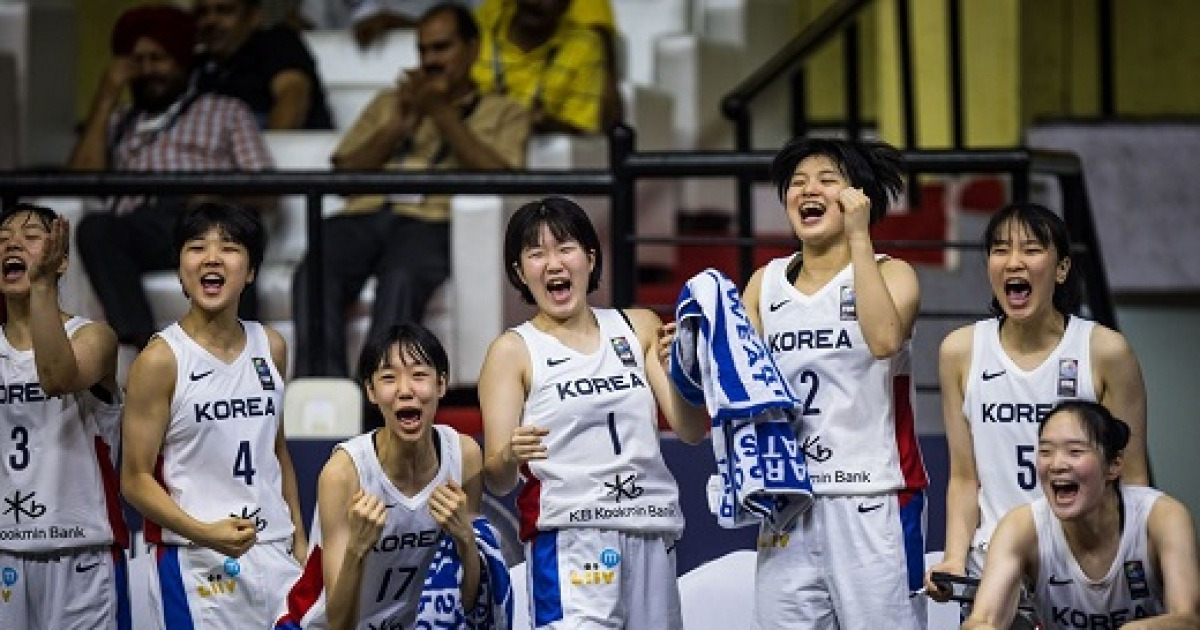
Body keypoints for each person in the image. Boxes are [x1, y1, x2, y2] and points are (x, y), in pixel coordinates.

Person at [478, 196, 709, 629]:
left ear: (590, 256)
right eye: (536, 253)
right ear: (519, 272)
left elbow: (692, 430)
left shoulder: (638, 325)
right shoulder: (512, 351)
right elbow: (498, 476)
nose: (552, 263)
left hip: (651, 528)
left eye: (564, 248)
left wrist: (686, 368)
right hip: (570, 539)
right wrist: (510, 453)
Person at [740, 137, 929, 629]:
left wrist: (860, 238)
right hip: (791, 501)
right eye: (797, 183)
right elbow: (739, 387)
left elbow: (885, 339)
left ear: (858, 196)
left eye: (827, 180)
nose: (809, 190)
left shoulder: (895, 273)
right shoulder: (765, 283)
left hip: (875, 495)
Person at [925, 203, 1150, 614]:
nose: (1014, 262)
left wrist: (1129, 567)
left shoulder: (1105, 350)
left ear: (1061, 268)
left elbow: (1132, 477)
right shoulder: (959, 350)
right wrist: (955, 557)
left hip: (1083, 572)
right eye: (999, 250)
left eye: (1031, 249)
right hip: (994, 568)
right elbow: (962, 476)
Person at [291, 1, 528, 378]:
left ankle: (381, 397)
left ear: (472, 49)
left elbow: (500, 174)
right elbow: (344, 172)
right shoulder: (391, 101)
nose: (430, 60)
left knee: (401, 275)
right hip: (366, 214)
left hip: (432, 220)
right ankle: (324, 399)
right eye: (423, 50)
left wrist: (440, 112)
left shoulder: (504, 110)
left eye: (442, 48)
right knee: (316, 268)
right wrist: (397, 126)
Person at [120, 202, 306, 629]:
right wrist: (203, 532)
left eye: (229, 247)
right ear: (181, 267)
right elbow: (134, 479)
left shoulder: (272, 346)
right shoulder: (160, 359)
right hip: (196, 564)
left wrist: (299, 537)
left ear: (252, 270)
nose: (211, 258)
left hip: (275, 553)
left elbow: (276, 452)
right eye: (196, 247)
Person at [277, 322, 508, 630]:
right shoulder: (344, 474)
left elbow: (468, 606)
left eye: (419, 375)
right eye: (388, 378)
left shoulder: (463, 456)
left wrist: (465, 538)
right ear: (371, 391)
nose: (405, 390)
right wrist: (358, 547)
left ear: (442, 384)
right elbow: (337, 624)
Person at [68, 4, 273, 350]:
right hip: (143, 227)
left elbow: (267, 191)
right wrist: (106, 95)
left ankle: (235, 350)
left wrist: (209, 195)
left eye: (158, 59)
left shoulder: (225, 111)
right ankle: (149, 348)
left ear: (182, 60)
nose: (148, 70)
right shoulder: (119, 121)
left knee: (235, 233)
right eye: (137, 61)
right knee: (96, 228)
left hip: (204, 216)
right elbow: (78, 181)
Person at [0, 203, 127, 630]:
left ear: (61, 259)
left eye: (30, 236)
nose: (12, 243)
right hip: (4, 553)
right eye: (1, 239)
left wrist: (41, 290)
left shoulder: (95, 337)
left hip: (80, 551)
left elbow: (56, 377)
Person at [963, 400, 1200, 630]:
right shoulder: (1020, 527)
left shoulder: (1164, 517)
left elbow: (1189, 618)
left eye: (1075, 451)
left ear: (1114, 465)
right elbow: (982, 620)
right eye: (1045, 451)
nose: (1056, 464)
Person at [474, 0, 622, 130]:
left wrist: (548, 124)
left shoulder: (585, 44)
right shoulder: (480, 28)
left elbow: (585, 129)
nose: (533, 2)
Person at [194, 0, 335, 130]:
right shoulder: (199, 65)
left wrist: (260, 153)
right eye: (202, 13)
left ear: (254, 17)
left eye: (225, 10)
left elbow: (292, 96)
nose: (210, 21)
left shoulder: (277, 43)